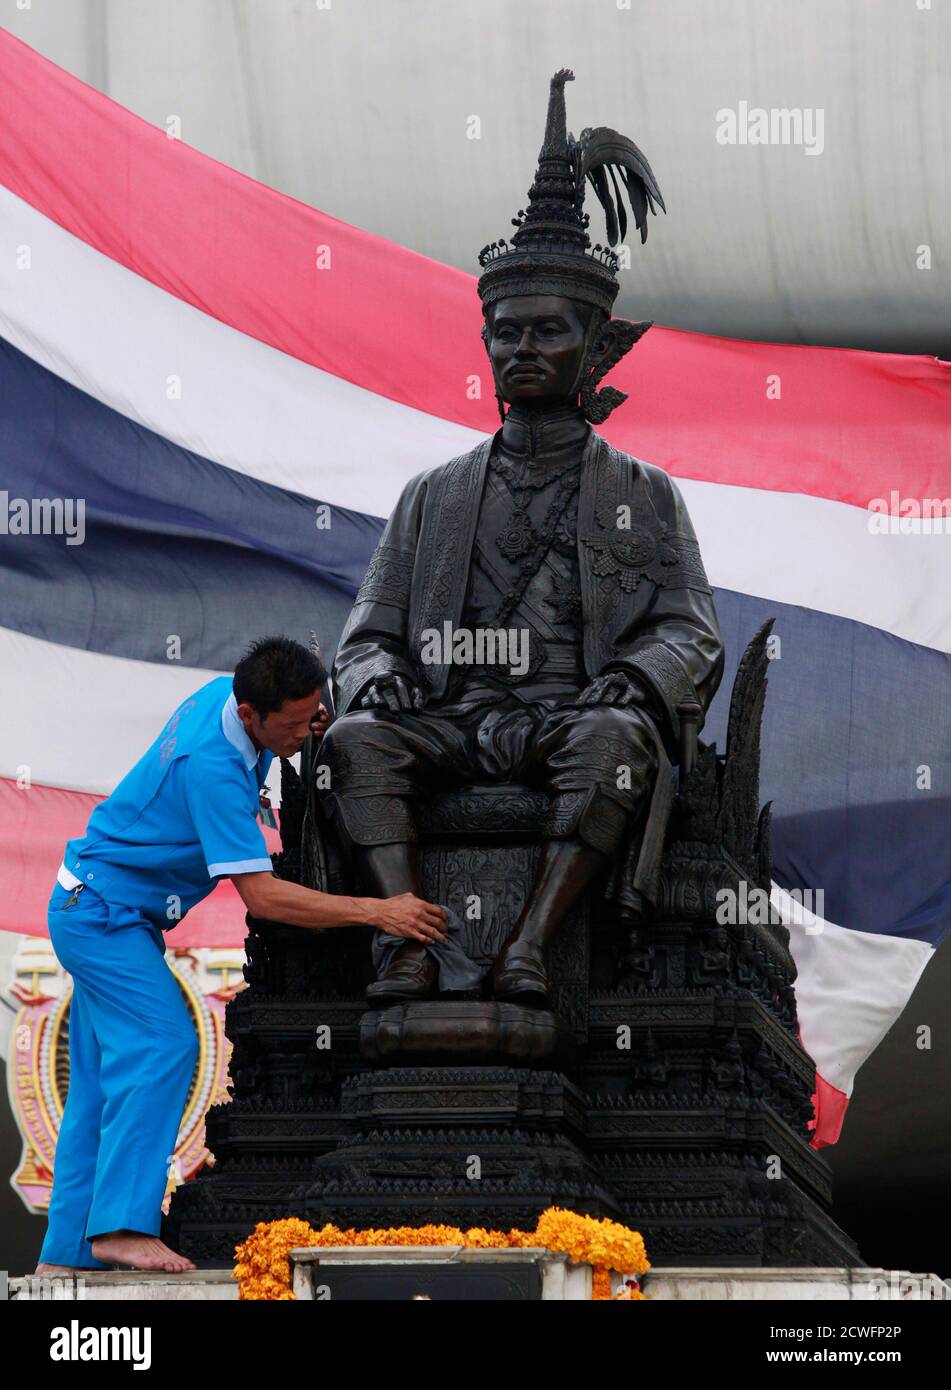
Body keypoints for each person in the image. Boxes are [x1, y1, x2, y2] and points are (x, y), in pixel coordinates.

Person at [322, 70, 723, 1007]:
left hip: (568, 715)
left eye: (547, 332)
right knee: (354, 739)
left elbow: (690, 630)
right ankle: (409, 940)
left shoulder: (641, 493)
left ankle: (532, 943)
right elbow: (370, 631)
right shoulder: (434, 495)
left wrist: (630, 681)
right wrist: (375, 674)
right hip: (448, 720)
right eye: (505, 334)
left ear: (594, 346)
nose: (522, 350)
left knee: (618, 741)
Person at [34, 635, 446, 1275]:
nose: (303, 735)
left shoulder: (230, 698)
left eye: (311, 717)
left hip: (104, 910)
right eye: (292, 726)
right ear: (250, 713)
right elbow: (263, 898)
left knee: (97, 1081)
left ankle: (68, 1254)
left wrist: (315, 724)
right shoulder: (213, 765)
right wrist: (379, 910)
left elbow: (287, 726)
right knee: (164, 1044)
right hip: (100, 916)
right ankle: (120, 1226)